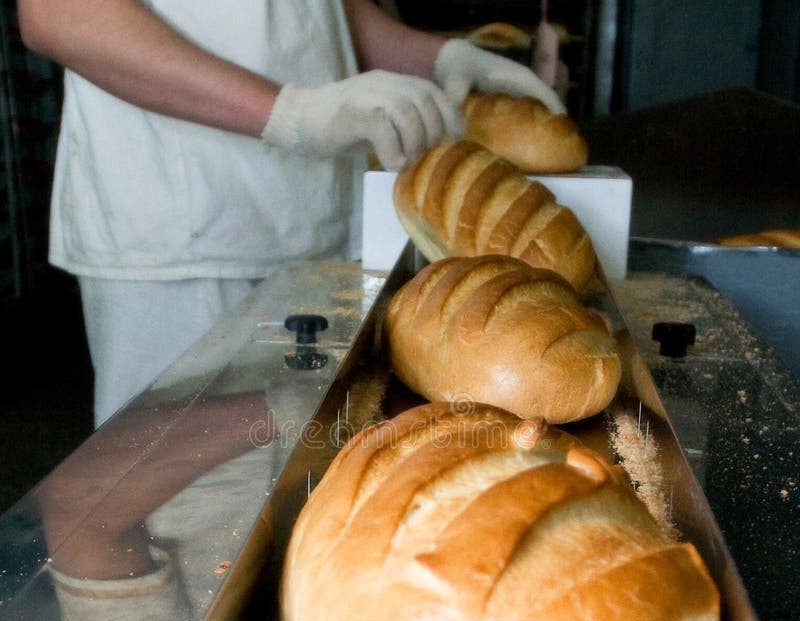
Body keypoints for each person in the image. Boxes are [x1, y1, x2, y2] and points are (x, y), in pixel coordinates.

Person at [18, 0, 565, 427]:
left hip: (316, 218)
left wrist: (441, 57)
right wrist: (290, 113)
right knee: (190, 511)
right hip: (184, 239)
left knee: (307, 493)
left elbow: (314, 13)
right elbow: (61, 15)